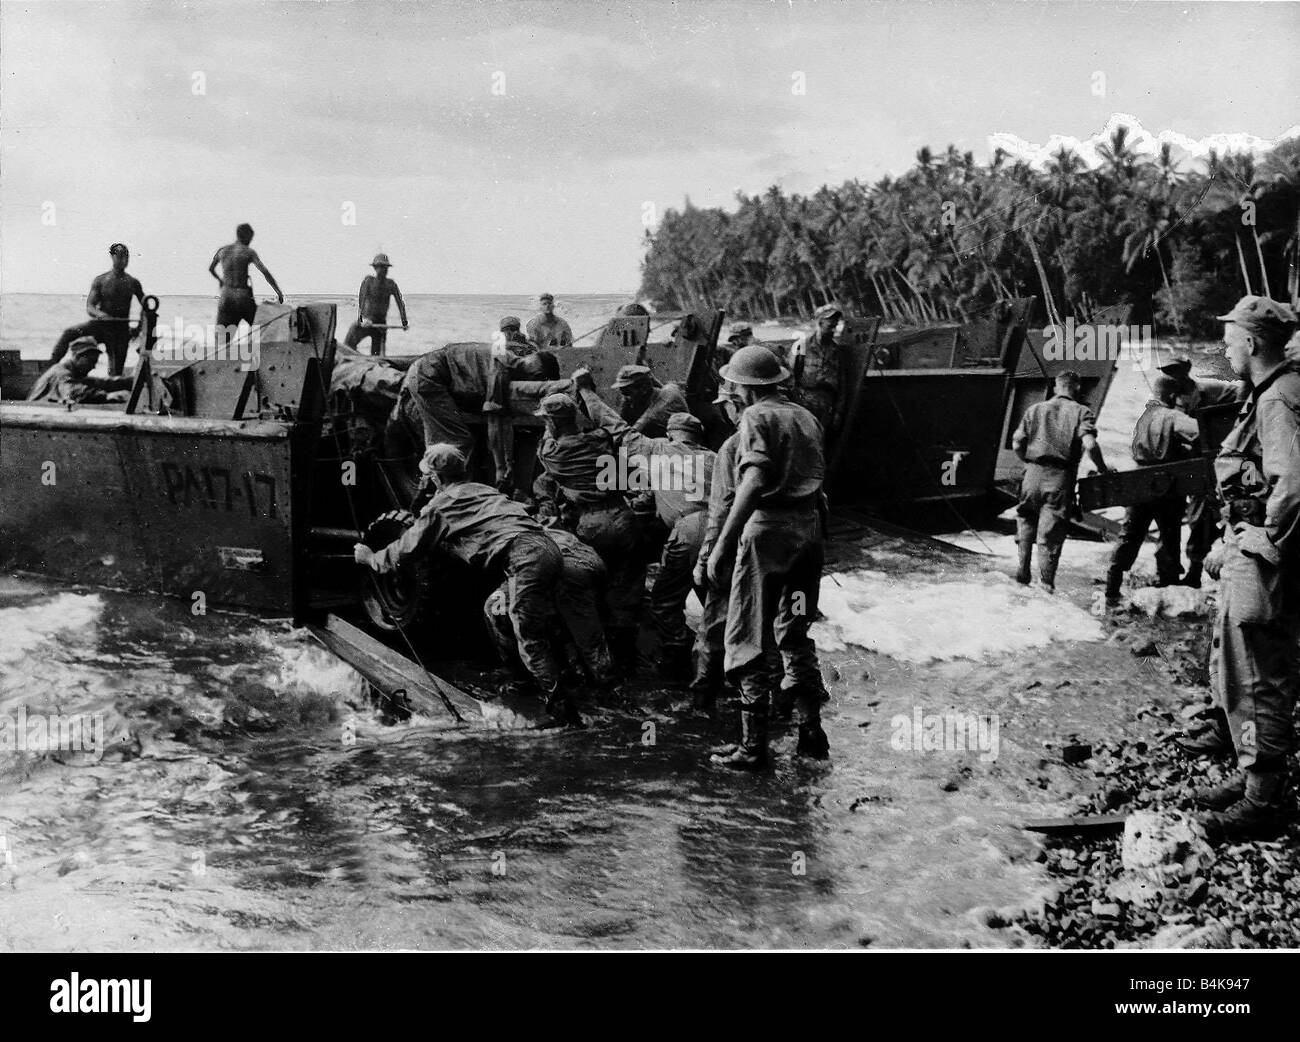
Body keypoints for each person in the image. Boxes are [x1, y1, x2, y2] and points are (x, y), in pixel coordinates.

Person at [354, 443, 581, 727]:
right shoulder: (482, 489)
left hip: (525, 561)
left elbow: (407, 549)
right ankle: (521, 680)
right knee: (495, 609)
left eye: (429, 476)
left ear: (436, 477)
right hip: (545, 548)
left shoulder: (443, 505)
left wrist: (371, 558)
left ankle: (565, 715)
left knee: (530, 637)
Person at [1185, 296, 1300, 842]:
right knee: (1254, 663)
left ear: (1251, 344)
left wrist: (1264, 538)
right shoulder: (1272, 391)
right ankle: (1255, 778)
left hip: (1264, 555)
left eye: (1230, 337)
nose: (1224, 346)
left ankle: (1263, 800)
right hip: (1255, 547)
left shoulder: (1278, 399)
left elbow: (1293, 485)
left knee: (1254, 669)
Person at [704, 345, 829, 769]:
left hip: (769, 534)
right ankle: (811, 732)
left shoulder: (755, 417)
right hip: (808, 533)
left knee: (746, 632)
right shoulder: (807, 417)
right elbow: (820, 488)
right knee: (794, 632)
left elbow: (754, 479)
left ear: (742, 387)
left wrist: (724, 541)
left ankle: (752, 747)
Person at [574, 369, 716, 679]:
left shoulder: (658, 451)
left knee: (665, 601)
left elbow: (615, 427)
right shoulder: (716, 459)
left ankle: (676, 666)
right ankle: (728, 666)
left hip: (690, 530)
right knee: (719, 599)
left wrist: (586, 390)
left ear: (670, 434)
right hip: (726, 531)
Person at [535, 391, 646, 677]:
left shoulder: (551, 452)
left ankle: (598, 663)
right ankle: (628, 659)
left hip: (590, 523)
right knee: (627, 589)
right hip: (623, 517)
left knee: (591, 587)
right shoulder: (599, 440)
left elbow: (546, 445)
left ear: (551, 422)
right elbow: (605, 429)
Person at [1103, 375, 1200, 603]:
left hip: (1139, 482)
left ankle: (1112, 585)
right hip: (1166, 484)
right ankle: (1167, 584)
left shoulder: (1144, 417)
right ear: (1173, 396)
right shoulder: (1173, 416)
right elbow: (1200, 432)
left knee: (1130, 534)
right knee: (1169, 535)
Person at [484, 525, 618, 691]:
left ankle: (525, 679)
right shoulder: (528, 524)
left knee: (498, 610)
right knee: (587, 636)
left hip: (563, 566)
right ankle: (608, 686)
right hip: (577, 561)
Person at [1011, 370, 1110, 592]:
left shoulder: (1035, 408)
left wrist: (1027, 461)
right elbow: (1091, 445)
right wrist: (1102, 469)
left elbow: (1017, 442)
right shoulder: (1081, 412)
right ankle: (1045, 585)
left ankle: (1022, 573)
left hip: (1031, 473)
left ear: (1056, 387)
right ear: (1076, 389)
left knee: (1026, 520)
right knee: (1050, 534)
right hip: (1058, 478)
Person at [1159, 352, 1245, 587]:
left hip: (1206, 464)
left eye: (1174, 370)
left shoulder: (1209, 391)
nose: (1170, 375)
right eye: (1167, 372)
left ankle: (1195, 571)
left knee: (1199, 518)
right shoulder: (1168, 397)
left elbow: (1241, 396)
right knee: (1172, 518)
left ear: (1186, 369)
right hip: (1179, 464)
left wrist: (1220, 428)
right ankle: (1171, 570)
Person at [691, 381, 746, 713]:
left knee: (713, 625)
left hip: (739, 544)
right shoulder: (800, 424)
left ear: (734, 406)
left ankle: (703, 703)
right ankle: (786, 710)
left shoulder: (732, 446)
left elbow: (721, 508)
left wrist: (706, 556)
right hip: (789, 543)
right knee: (774, 627)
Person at [49, 243, 146, 376]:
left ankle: (112, 388)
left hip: (120, 330)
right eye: (120, 257)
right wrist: (101, 315)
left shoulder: (133, 282)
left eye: (126, 257)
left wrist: (138, 327)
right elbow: (90, 306)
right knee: (69, 333)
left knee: (116, 371)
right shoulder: (101, 280)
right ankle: (50, 370)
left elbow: (146, 305)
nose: (123, 260)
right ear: (112, 257)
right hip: (101, 326)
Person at [771, 303, 844, 437]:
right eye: (830, 325)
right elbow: (789, 378)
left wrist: (838, 412)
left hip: (827, 404)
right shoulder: (802, 346)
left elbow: (842, 385)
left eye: (835, 325)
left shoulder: (837, 351)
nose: (833, 329)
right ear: (820, 322)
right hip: (804, 403)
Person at [208, 224, 283, 339]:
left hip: (226, 296)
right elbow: (265, 272)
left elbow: (211, 269)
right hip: (242, 296)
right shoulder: (248, 252)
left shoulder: (222, 251)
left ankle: (223, 354)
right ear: (247, 236)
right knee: (260, 328)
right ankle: (256, 352)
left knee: (222, 337)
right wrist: (278, 291)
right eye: (251, 238)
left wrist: (220, 280)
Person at [28, 338, 133, 405]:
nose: (93, 367)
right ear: (78, 357)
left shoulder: (72, 373)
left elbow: (101, 382)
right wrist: (107, 396)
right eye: (91, 362)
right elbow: (74, 393)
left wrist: (129, 381)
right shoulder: (62, 373)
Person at [344, 254, 407, 356]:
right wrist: (361, 320)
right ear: (375, 268)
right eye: (380, 267)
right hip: (367, 322)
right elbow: (362, 301)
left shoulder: (391, 284)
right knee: (348, 344)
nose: (383, 270)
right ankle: (355, 361)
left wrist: (404, 321)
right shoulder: (368, 281)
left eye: (385, 267)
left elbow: (400, 303)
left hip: (380, 325)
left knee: (377, 356)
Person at [609, 364, 689, 440]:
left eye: (627, 393)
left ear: (643, 389)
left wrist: (621, 451)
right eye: (622, 393)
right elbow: (622, 431)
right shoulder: (632, 402)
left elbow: (631, 435)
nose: (625, 398)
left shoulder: (665, 402)